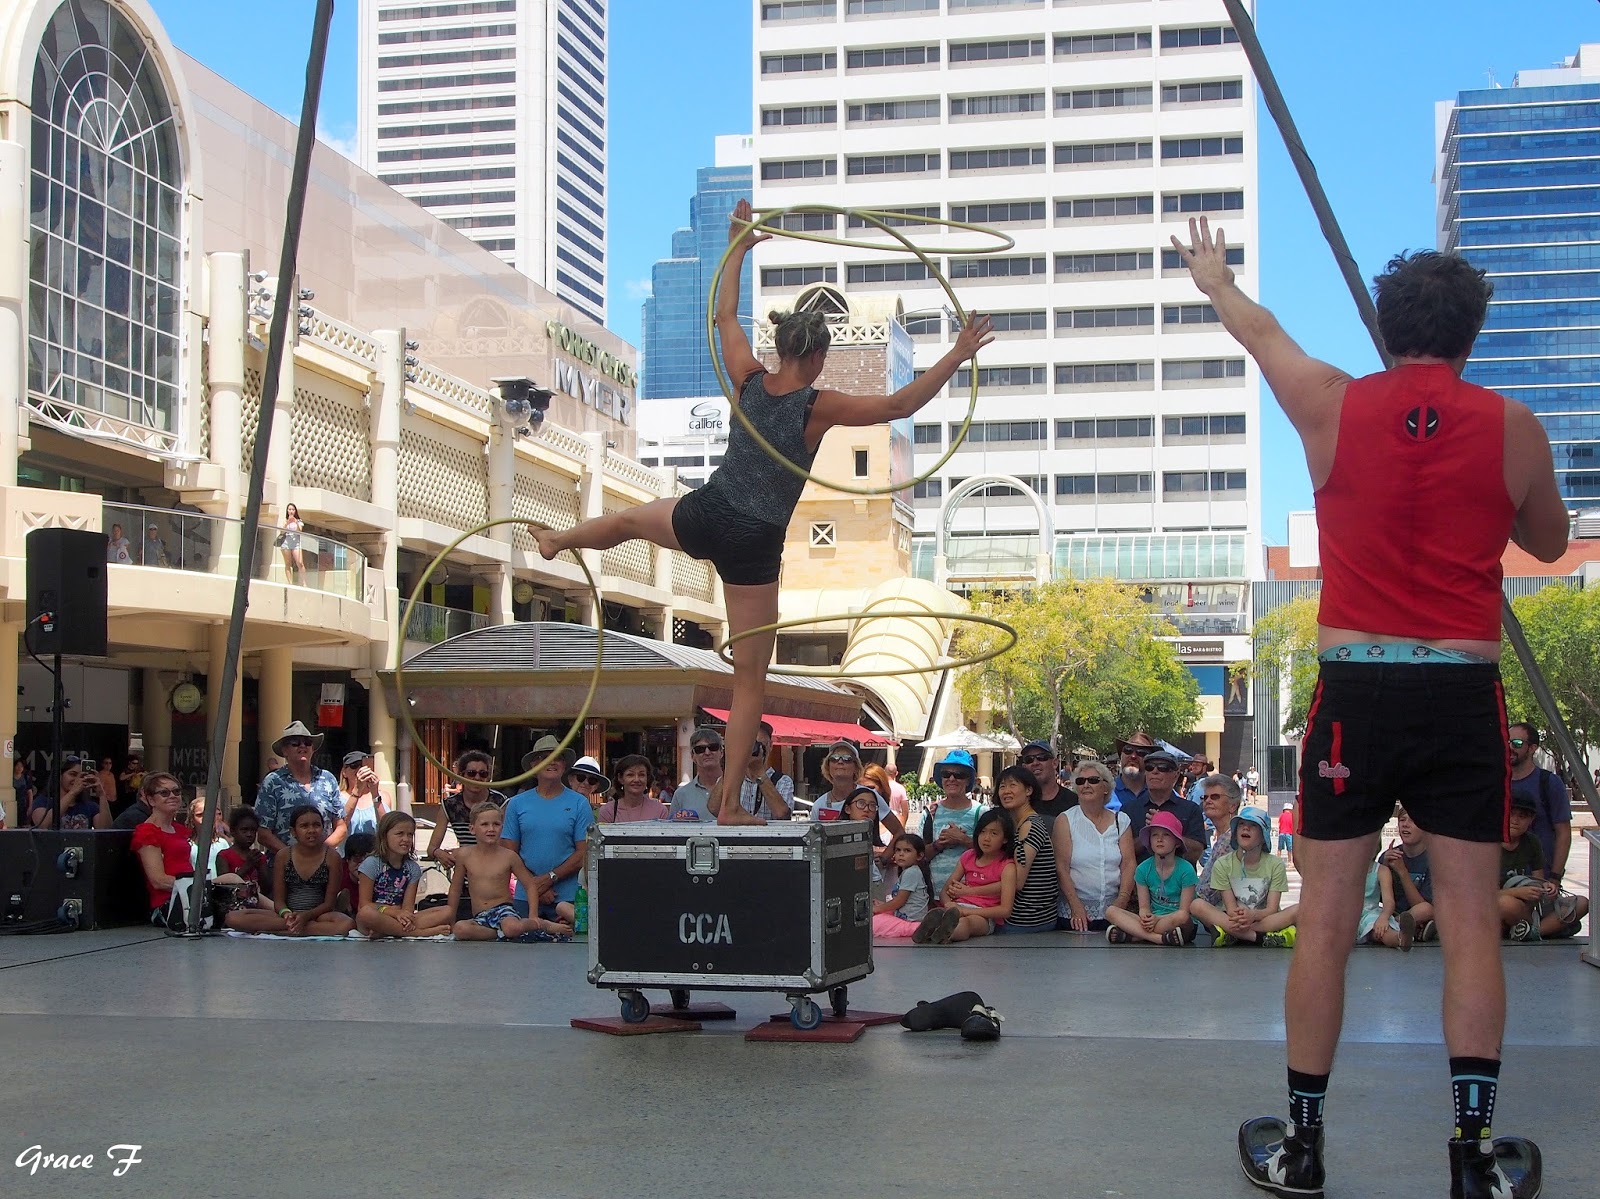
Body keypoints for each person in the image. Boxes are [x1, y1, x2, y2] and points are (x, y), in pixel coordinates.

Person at [1174, 220, 1568, 1199]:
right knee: (1471, 921)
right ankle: (1473, 1157)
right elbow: (1552, 540)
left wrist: (1214, 277)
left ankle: (1301, 1148)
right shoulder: (1514, 425)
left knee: (1326, 922)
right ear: (1471, 331)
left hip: (1355, 690)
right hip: (1458, 690)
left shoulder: (1327, 403)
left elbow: (1257, 329)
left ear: (1385, 328)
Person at [530, 198, 993, 826]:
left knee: (627, 520)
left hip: (708, 511)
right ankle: (727, 807)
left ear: (778, 346)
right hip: (751, 537)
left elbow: (722, 313)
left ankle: (560, 539)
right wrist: (957, 353)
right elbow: (900, 403)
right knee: (749, 679)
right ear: (820, 355)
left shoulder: (748, 378)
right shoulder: (816, 403)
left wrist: (741, 244)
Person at [499, 734, 592, 922]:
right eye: (544, 757)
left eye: (557, 757)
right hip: (525, 897)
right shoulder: (516, 804)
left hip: (568, 898)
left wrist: (550, 878)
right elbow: (509, 854)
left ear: (564, 766)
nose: (552, 762)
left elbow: (584, 853)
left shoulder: (580, 803)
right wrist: (535, 887)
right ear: (533, 765)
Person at [448, 803, 574, 941]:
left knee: (511, 927)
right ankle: (498, 934)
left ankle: (540, 924)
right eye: (484, 824)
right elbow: (455, 888)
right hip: (480, 915)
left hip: (504, 911)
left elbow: (530, 885)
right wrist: (451, 919)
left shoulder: (509, 856)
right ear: (472, 829)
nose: (491, 829)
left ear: (502, 827)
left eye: (496, 824)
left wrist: (533, 915)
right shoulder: (464, 855)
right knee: (460, 929)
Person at [1191, 807, 1297, 948]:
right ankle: (1260, 938)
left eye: (1253, 825)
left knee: (1299, 909)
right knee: (1196, 905)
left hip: (1264, 919)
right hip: (1233, 918)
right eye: (1241, 824)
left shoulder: (1275, 864)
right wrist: (1240, 917)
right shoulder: (1223, 863)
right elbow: (1230, 908)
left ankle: (1231, 935)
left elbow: (1271, 909)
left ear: (1263, 836)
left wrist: (1252, 915)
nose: (1245, 828)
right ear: (1235, 833)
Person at [1053, 759, 1135, 932]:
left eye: (1093, 780)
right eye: (1081, 781)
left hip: (1115, 914)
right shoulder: (1065, 820)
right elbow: (1061, 867)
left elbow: (1128, 864)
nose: (1086, 785)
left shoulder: (1121, 820)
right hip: (1075, 916)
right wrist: (1076, 907)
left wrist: (1121, 903)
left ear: (1106, 787)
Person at [916, 808, 1016, 945]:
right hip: (956, 908)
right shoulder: (968, 856)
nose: (986, 838)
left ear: (1005, 839)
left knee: (966, 923)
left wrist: (965, 911)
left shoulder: (1007, 866)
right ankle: (933, 929)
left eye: (994, 833)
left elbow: (1005, 910)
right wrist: (948, 904)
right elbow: (945, 890)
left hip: (984, 915)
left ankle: (943, 933)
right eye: (982, 832)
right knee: (942, 914)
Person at [1497, 791, 1587, 942]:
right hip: (1504, 907)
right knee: (1505, 904)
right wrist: (1518, 892)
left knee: (1582, 902)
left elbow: (1537, 880)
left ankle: (1533, 932)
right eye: (1511, 814)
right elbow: (1482, 895)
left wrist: (1547, 888)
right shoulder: (1488, 845)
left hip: (1531, 908)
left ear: (1531, 820)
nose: (1515, 821)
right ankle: (1549, 929)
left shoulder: (1532, 842)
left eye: (1522, 816)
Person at [354, 811, 454, 939]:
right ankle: (420, 933)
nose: (406, 839)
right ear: (384, 836)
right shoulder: (371, 864)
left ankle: (388, 931)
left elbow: (408, 908)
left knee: (447, 911)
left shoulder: (412, 868)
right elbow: (365, 904)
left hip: (400, 918)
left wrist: (403, 915)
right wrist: (393, 912)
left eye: (410, 835)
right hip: (376, 916)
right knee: (365, 914)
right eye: (399, 834)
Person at [1105, 810, 1197, 945]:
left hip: (1174, 920)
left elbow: (1184, 910)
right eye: (1154, 835)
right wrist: (1145, 917)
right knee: (1111, 911)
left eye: (1166, 835)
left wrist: (1156, 919)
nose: (1159, 839)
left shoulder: (1186, 869)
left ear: (1177, 842)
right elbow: (1144, 907)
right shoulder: (1142, 869)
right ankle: (1159, 939)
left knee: (1182, 917)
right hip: (1152, 921)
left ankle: (1134, 936)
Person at [254, 721, 345, 857]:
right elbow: (263, 833)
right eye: (295, 743)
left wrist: (320, 852)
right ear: (285, 751)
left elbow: (341, 826)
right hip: (284, 867)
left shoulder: (328, 778)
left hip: (324, 864)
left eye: (307, 742)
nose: (302, 746)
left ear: (313, 748)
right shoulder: (273, 782)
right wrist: (293, 857)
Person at [270, 803, 355, 937]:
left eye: (316, 825)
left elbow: (329, 903)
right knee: (235, 918)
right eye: (304, 826)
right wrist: (287, 914)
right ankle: (294, 927)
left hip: (319, 916)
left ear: (323, 828)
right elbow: (278, 901)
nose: (311, 830)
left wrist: (305, 916)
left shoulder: (332, 857)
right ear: (293, 831)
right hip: (288, 914)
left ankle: (285, 930)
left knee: (346, 924)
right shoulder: (283, 855)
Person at [1506, 724, 1572, 889]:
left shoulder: (1550, 783)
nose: (1509, 747)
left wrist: (1555, 878)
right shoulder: (1495, 783)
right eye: (1505, 742)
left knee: (1578, 905)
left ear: (1532, 748)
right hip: (1502, 882)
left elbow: (1563, 833)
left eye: (1517, 743)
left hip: (1540, 880)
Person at [992, 764, 1056, 934]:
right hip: (1025, 917)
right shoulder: (1019, 824)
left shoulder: (1030, 826)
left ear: (1028, 791)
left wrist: (971, 890)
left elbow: (1018, 881)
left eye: (1013, 785)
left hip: (1026, 919)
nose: (1006, 791)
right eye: (1002, 786)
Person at [1125, 748, 1208, 863]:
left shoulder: (1190, 809)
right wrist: (1147, 834)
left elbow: (1196, 853)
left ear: (1176, 774)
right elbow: (1122, 853)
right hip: (1140, 880)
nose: (1155, 771)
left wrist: (1168, 829)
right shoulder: (1129, 809)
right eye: (1149, 767)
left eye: (1162, 767)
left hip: (1180, 880)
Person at [130, 773, 193, 922]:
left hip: (191, 896)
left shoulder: (178, 829)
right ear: (151, 800)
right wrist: (199, 886)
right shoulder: (147, 832)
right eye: (164, 793)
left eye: (176, 791)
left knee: (233, 882)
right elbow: (158, 880)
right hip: (167, 905)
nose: (172, 796)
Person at [810, 741, 906, 839]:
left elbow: (899, 832)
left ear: (856, 767)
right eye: (834, 758)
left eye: (847, 759)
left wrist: (884, 854)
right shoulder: (819, 805)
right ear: (828, 766)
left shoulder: (870, 796)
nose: (840, 762)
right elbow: (813, 841)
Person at [920, 748, 980, 899]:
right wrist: (939, 844)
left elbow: (995, 855)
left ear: (968, 780)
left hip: (971, 897)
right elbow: (918, 855)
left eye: (959, 775)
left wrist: (963, 840)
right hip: (932, 895)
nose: (952, 779)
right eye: (946, 774)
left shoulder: (981, 813)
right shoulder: (930, 812)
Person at [1382, 806, 1437, 942]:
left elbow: (1422, 905)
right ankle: (1401, 928)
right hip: (1393, 914)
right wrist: (1382, 867)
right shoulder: (1389, 856)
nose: (1405, 824)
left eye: (1412, 821)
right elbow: (1377, 897)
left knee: (1425, 910)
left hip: (1419, 912)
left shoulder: (1434, 861)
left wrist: (1402, 872)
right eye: (1402, 820)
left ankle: (1406, 928)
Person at [872, 834, 932, 939]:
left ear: (919, 856)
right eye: (898, 850)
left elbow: (900, 901)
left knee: (874, 922)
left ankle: (920, 929)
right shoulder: (908, 872)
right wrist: (882, 905)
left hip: (911, 920)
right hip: (904, 916)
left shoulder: (911, 872)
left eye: (907, 851)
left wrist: (878, 909)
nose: (901, 854)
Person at [30, 755, 111, 829]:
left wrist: (102, 795)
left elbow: (105, 830)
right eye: (73, 774)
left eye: (82, 776)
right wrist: (73, 792)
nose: (77, 779)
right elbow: (44, 825)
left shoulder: (90, 806)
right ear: (60, 776)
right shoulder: (43, 802)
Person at [667, 727, 725, 821]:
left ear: (721, 752)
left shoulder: (738, 789)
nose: (707, 752)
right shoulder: (681, 795)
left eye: (713, 747)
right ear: (692, 756)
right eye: (700, 749)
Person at [1358, 857, 1415, 951]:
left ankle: (1400, 939)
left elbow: (1389, 901)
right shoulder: (1343, 869)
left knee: (1380, 931)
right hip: (1348, 915)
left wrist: (1383, 917)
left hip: (1369, 914)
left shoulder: (1381, 870)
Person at [598, 754, 667, 823]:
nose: (636, 780)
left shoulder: (660, 810)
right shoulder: (608, 811)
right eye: (630, 775)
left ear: (647, 778)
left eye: (641, 775)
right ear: (620, 778)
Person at [339, 749, 387, 844]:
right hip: (346, 855)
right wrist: (357, 790)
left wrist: (375, 794)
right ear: (344, 772)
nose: (360, 770)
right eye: (354, 766)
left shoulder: (383, 796)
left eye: (363, 765)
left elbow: (386, 827)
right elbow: (340, 825)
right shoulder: (337, 796)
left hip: (374, 855)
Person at [1019, 740, 1075, 820]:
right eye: (1029, 759)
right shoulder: (1019, 802)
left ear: (1055, 763)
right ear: (1024, 767)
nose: (1035, 763)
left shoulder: (1073, 802)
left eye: (1041, 757)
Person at [1111, 730, 1157, 813]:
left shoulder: (1161, 792)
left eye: (1141, 752)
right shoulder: (1103, 791)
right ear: (1121, 755)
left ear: (1151, 760)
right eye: (1128, 750)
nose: (1133, 756)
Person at [278, 502, 305, 584]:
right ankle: (290, 582)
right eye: (289, 509)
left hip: (296, 543)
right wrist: (287, 523)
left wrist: (295, 522)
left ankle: (303, 582)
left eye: (293, 509)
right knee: (288, 563)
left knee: (300, 563)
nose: (291, 511)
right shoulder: (284, 520)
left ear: (295, 511)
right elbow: (282, 532)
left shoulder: (299, 521)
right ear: (287, 511)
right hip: (286, 543)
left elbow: (300, 531)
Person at [884, 762, 911, 829]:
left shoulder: (880, 787)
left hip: (882, 821)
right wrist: (903, 825)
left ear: (884, 772)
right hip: (896, 821)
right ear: (896, 773)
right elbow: (905, 811)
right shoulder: (900, 788)